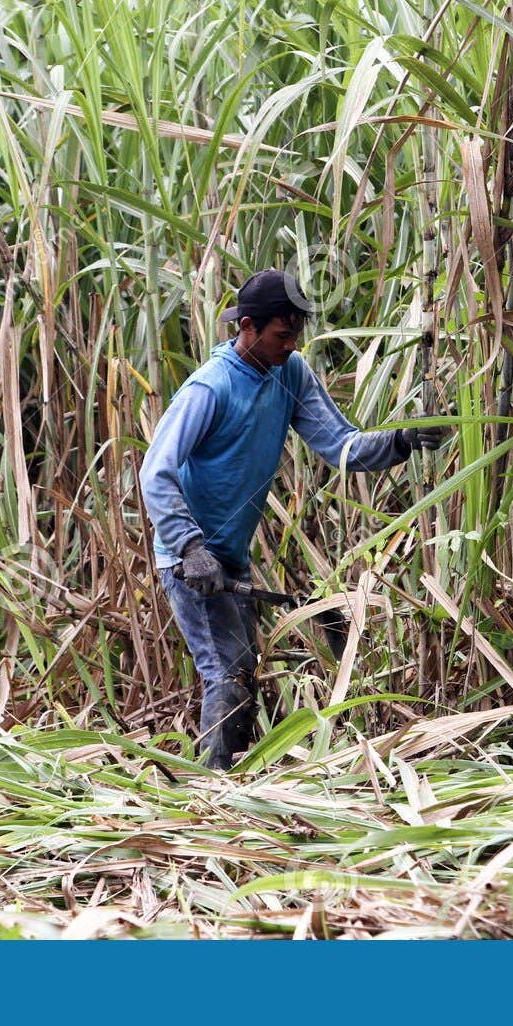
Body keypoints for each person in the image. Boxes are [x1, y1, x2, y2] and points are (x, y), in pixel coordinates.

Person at [139, 269, 442, 770]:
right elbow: (156, 472)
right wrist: (191, 548)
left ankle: (229, 779)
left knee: (240, 669)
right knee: (228, 671)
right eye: (281, 336)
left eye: (295, 335)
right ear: (248, 328)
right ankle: (210, 789)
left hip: (229, 559)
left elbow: (341, 446)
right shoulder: (208, 390)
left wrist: (402, 440)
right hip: (191, 561)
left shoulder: (291, 373)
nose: (289, 346)